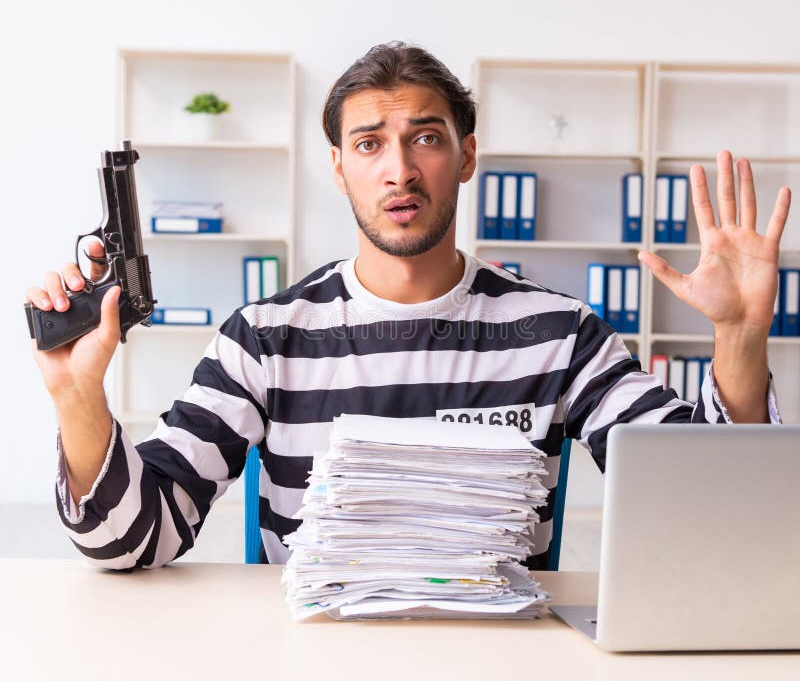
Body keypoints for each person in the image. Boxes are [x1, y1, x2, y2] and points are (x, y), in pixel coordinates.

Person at [27, 42, 789, 571]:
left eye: (425, 137)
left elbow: (707, 517)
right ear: (338, 168)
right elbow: (131, 542)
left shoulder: (561, 335)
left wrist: (740, 334)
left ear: (466, 157)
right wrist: (78, 395)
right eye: (369, 144)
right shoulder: (264, 339)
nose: (399, 169)